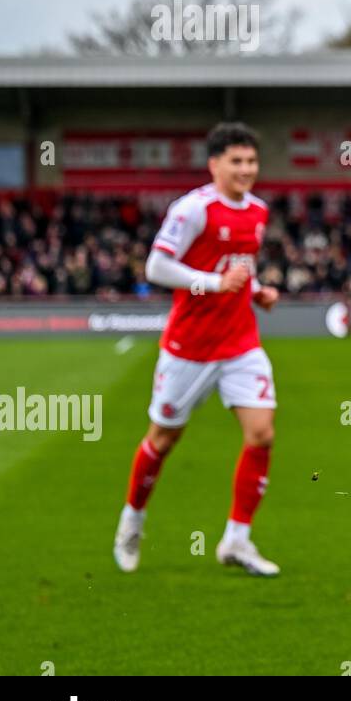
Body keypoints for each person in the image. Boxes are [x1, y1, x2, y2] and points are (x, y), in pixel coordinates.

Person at [112, 122, 281, 576]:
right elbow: (157, 265)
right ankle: (133, 519)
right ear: (214, 164)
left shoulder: (259, 212)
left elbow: (239, 268)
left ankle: (236, 540)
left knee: (261, 433)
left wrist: (257, 290)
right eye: (237, 162)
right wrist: (213, 284)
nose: (246, 170)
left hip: (241, 341)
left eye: (251, 161)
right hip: (189, 346)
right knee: (163, 439)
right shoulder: (192, 210)